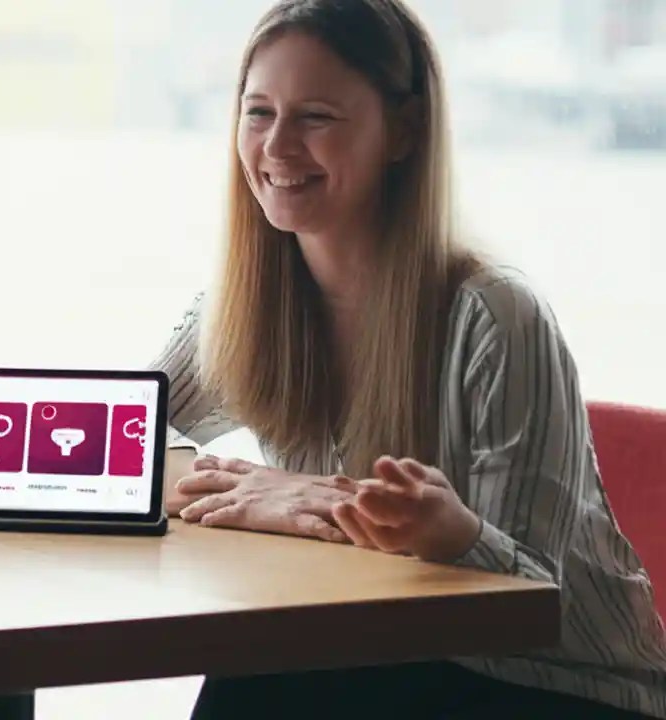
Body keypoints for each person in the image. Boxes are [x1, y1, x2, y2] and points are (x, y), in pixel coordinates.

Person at [150, 0, 666, 717]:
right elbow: (121, 448)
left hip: (565, 685)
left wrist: (446, 534)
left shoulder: (496, 315)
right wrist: (266, 495)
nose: (277, 146)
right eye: (259, 112)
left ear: (404, 130)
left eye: (316, 117)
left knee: (266, 679)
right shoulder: (242, 307)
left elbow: (534, 598)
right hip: (382, 651)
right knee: (263, 668)